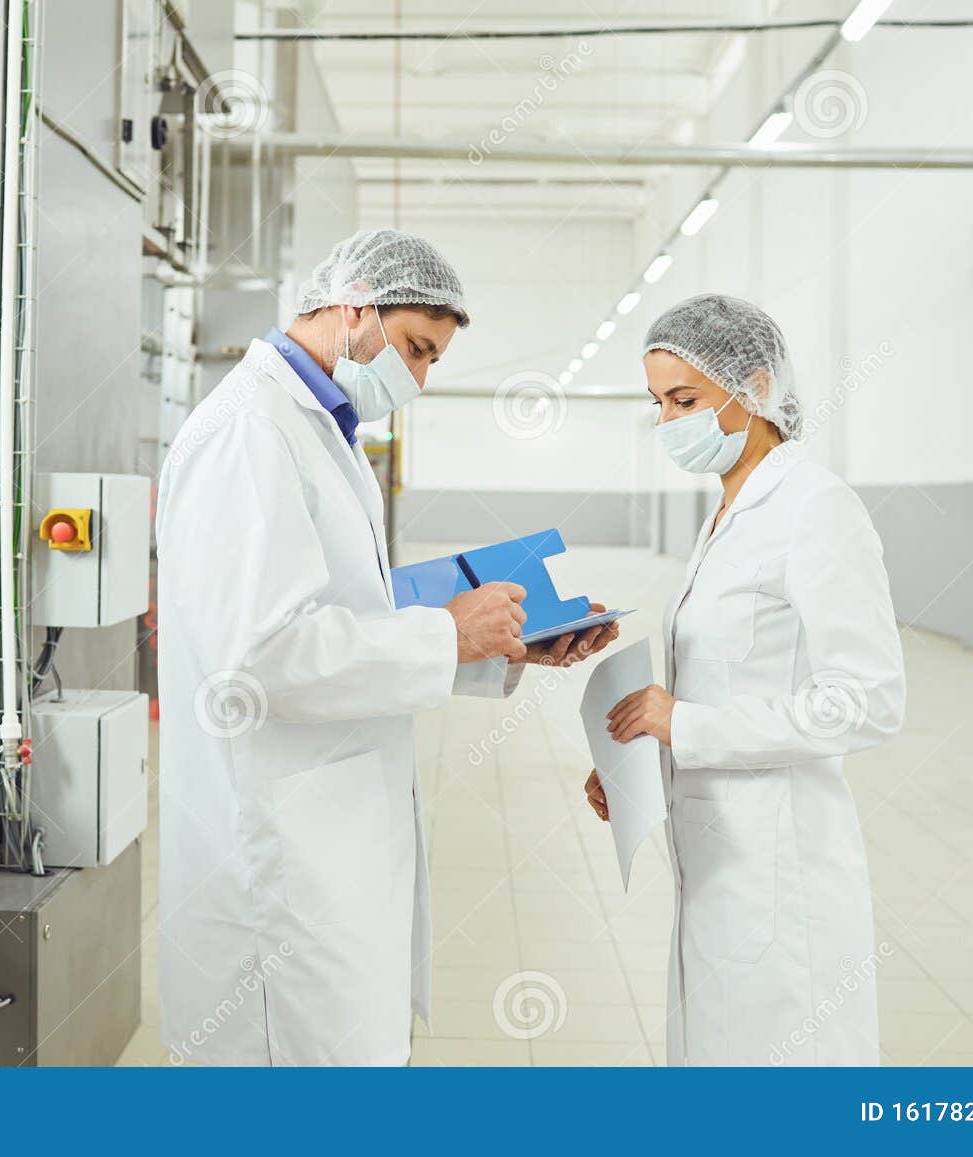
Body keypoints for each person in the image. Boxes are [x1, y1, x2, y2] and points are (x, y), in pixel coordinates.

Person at [157, 228, 616, 1066]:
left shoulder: (319, 431)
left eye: (433, 358)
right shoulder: (249, 431)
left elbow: (352, 612)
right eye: (415, 347)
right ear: (354, 306)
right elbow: (255, 660)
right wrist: (447, 632)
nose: (420, 378)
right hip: (277, 861)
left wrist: (499, 643)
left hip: (332, 837)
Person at [585, 293, 904, 1065]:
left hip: (781, 868)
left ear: (755, 386)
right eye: (659, 403)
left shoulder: (816, 507)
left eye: (685, 399)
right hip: (715, 863)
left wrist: (684, 725)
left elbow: (868, 699)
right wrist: (637, 762)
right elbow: (724, 681)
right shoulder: (728, 511)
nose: (669, 421)